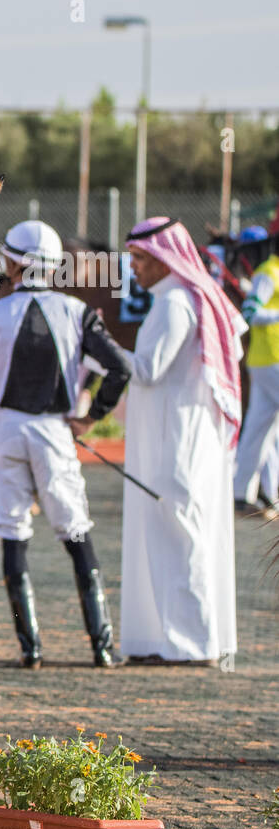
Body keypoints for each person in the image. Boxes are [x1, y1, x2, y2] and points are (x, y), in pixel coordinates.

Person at [0, 220, 131, 668]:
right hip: (55, 433)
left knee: (13, 537)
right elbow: (118, 369)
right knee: (76, 534)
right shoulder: (77, 312)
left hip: (5, 434)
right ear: (57, 265)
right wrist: (91, 418)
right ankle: (102, 647)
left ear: (14, 263)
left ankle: (31, 649)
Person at [120, 217, 245, 666]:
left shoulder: (174, 301)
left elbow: (149, 368)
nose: (133, 268)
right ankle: (173, 639)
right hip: (183, 439)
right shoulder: (176, 297)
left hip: (179, 443)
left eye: (138, 259)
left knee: (180, 534)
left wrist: (98, 349)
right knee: (177, 535)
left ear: (161, 258)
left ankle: (191, 644)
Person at [232, 226, 279, 518]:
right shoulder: (269, 272)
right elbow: (249, 312)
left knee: (261, 430)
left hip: (267, 361)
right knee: (265, 430)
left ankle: (243, 495)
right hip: (272, 360)